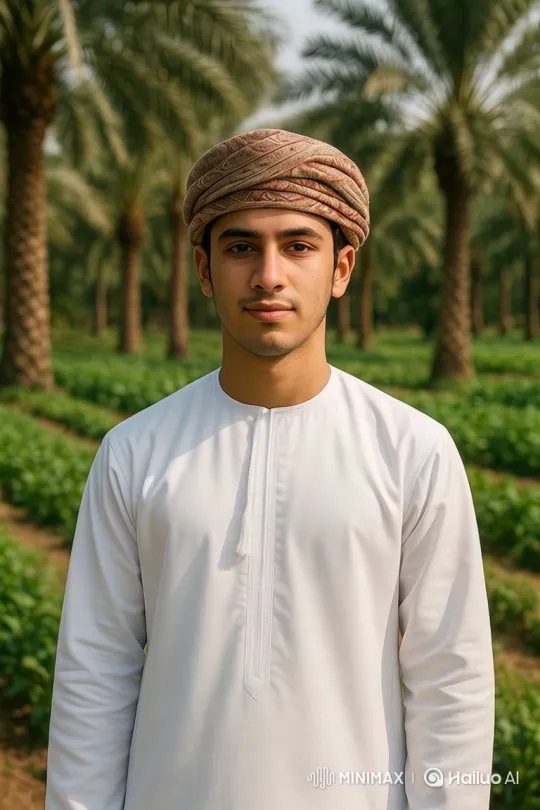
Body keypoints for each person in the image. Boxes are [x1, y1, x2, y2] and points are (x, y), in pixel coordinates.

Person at [45, 128, 495, 810]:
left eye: (298, 245)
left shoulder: (412, 452)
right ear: (203, 269)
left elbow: (451, 680)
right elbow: (94, 673)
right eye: (240, 247)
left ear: (341, 269)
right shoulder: (135, 454)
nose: (269, 275)